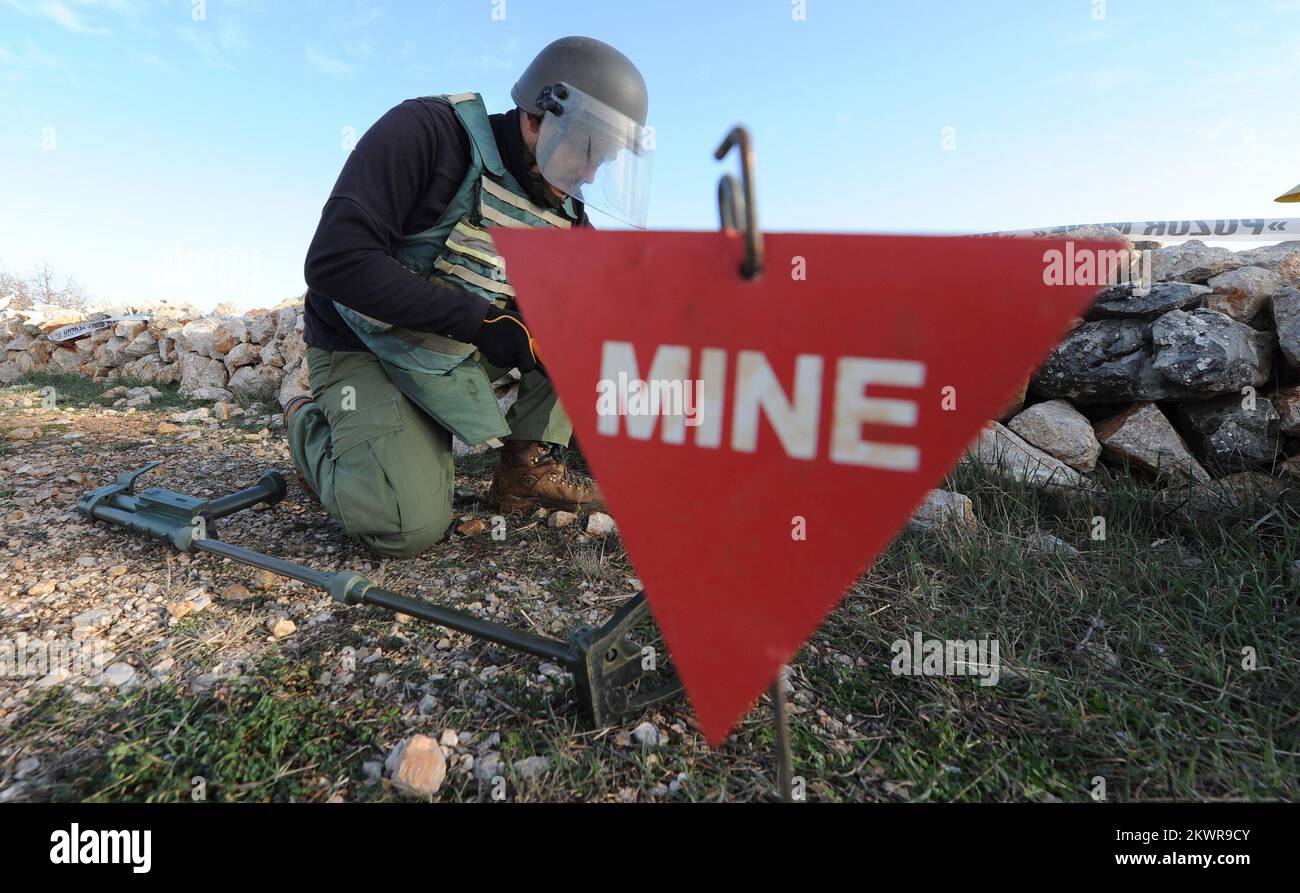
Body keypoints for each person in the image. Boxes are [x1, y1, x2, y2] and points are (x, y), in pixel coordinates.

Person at [284, 36, 653, 558]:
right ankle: (304, 419)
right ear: (536, 119)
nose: (591, 175)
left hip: (450, 352)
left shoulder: (567, 212)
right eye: (587, 150)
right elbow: (334, 262)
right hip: (364, 346)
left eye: (605, 160)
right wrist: (485, 324)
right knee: (405, 525)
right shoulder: (429, 133)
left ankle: (526, 470)